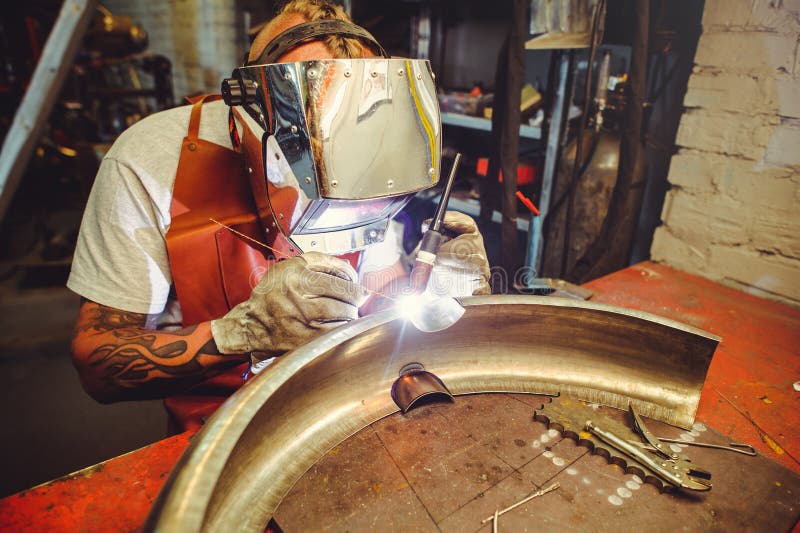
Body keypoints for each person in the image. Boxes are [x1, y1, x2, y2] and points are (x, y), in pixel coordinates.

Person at [68, 0, 490, 432]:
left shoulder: (372, 158)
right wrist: (243, 333)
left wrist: (438, 290)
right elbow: (99, 366)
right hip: (219, 428)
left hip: (342, 408)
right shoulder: (149, 160)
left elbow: (379, 294)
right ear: (250, 114)